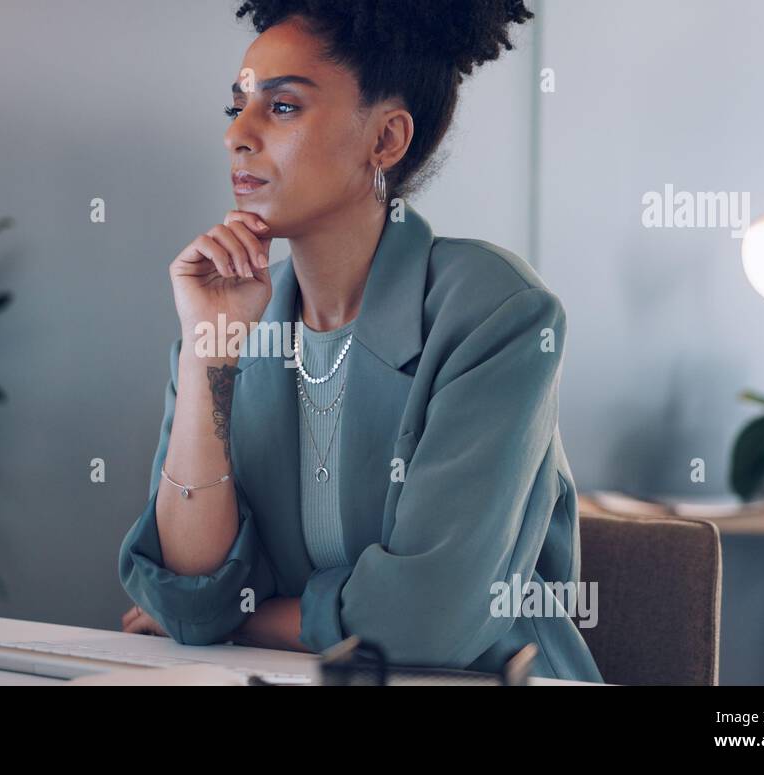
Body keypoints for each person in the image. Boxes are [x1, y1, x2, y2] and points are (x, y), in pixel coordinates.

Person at [118, 0, 601, 681]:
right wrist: (208, 350)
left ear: (386, 140)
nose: (238, 136)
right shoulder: (237, 319)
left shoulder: (496, 312)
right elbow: (187, 589)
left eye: (281, 107)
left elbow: (424, 620)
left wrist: (239, 615)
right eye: (237, 109)